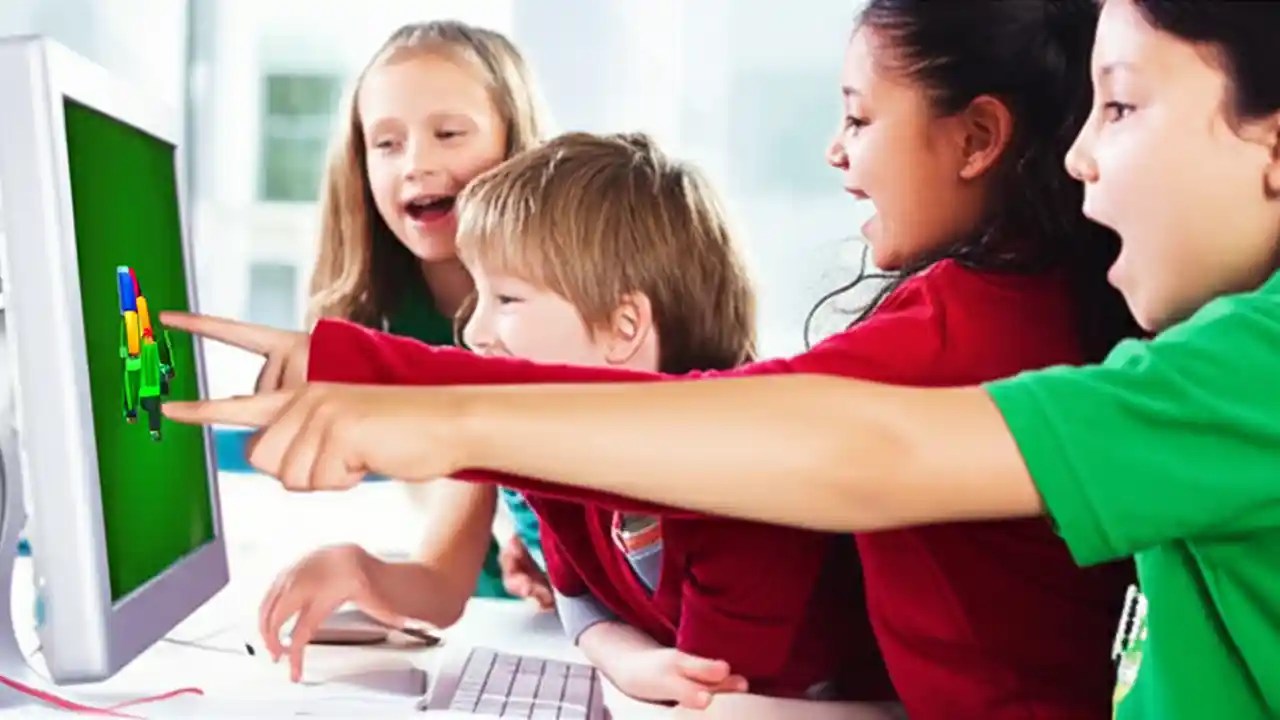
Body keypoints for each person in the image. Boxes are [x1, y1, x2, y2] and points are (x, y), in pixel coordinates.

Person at [165, 1, 1280, 717]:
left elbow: (850, 448)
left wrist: (417, 398)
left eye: (1120, 106)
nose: (1078, 155)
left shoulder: (1206, 358)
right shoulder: (1150, 336)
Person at [443, 130, 896, 711]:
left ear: (624, 327)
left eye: (506, 300)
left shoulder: (742, 484)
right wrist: (630, 662)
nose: (473, 332)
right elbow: (578, 601)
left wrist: (640, 665)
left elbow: (715, 688)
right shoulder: (560, 453)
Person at [216, 19, 556, 669]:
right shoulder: (392, 321)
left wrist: (566, 545)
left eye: (449, 133)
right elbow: (447, 549)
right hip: (540, 614)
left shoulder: (562, 304)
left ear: (516, 142)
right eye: (387, 143)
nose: (416, 163)